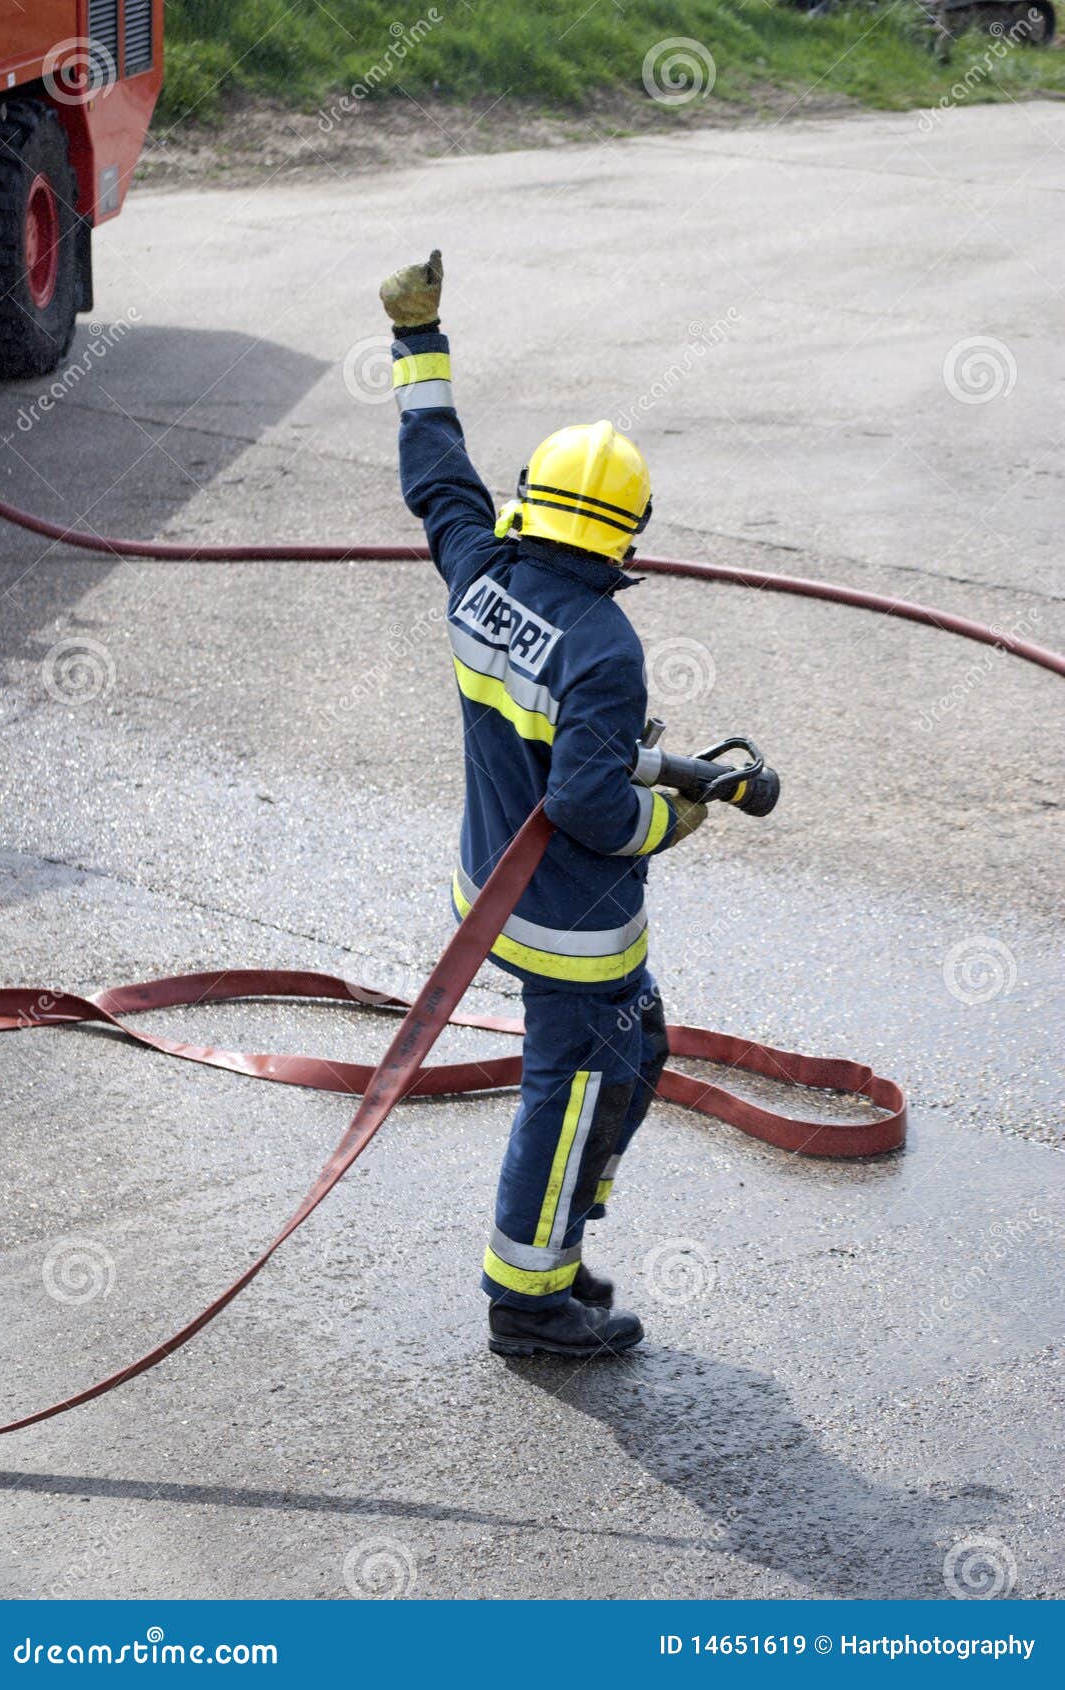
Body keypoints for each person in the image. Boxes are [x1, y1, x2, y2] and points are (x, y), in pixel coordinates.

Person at [380, 251, 707, 1358]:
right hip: (573, 924)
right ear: (626, 529)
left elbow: (436, 474)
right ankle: (528, 1301)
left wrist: (418, 340)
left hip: (493, 892)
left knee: (637, 1046)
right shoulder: (607, 644)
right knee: (571, 1088)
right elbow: (589, 805)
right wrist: (677, 816)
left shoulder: (478, 568)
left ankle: (559, 1236)